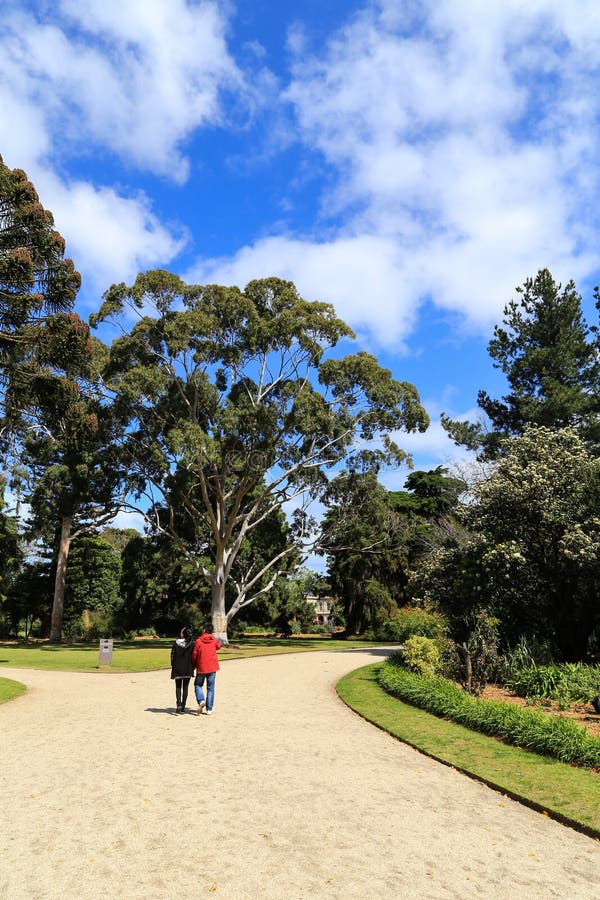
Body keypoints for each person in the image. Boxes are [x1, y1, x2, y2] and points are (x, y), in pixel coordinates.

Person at [192, 622, 222, 716]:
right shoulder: (214, 640)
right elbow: (219, 647)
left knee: (198, 684)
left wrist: (193, 663)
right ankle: (209, 709)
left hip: (201, 666)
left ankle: (201, 700)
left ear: (204, 630)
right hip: (212, 667)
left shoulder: (198, 641)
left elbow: (194, 654)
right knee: (211, 688)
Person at [170, 626, 194, 713]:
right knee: (185, 687)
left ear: (183, 634)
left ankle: (179, 704)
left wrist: (173, 665)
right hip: (188, 667)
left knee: (178, 686)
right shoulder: (192, 644)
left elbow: (172, 656)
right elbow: (194, 656)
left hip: (178, 668)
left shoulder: (176, 643)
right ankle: (183, 705)